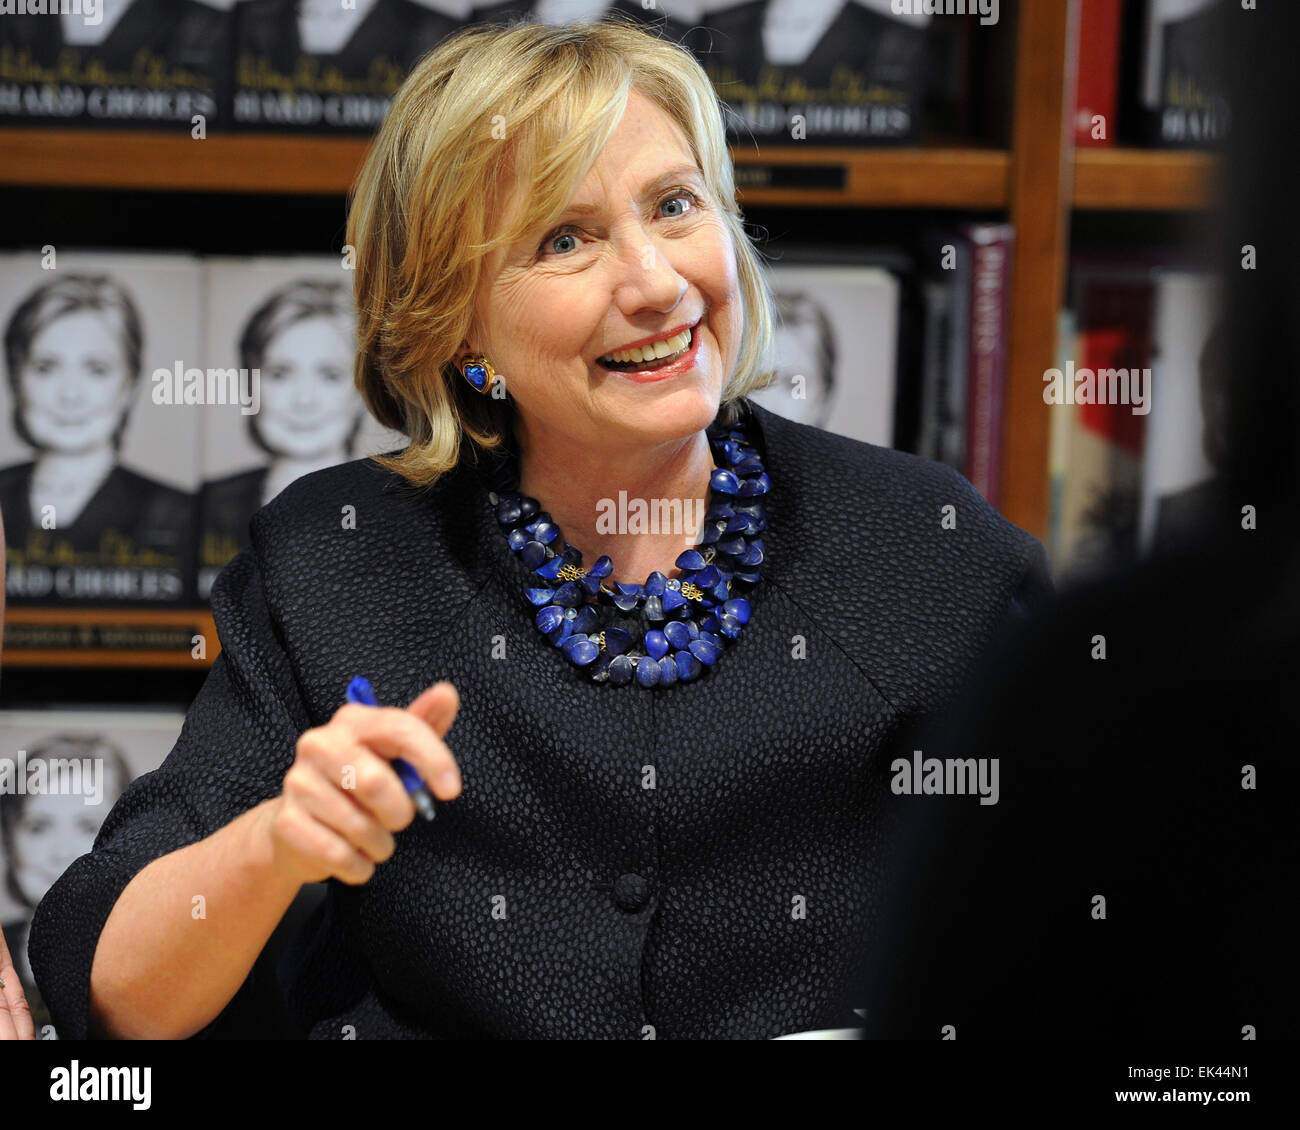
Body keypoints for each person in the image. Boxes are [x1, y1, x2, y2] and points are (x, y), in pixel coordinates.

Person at [31, 18, 1049, 1041]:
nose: (656, 281)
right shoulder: (333, 558)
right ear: (455, 329)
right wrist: (275, 844)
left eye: (675, 205)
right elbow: (109, 992)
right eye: (565, 239)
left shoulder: (929, 546)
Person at [0, 274, 193, 605]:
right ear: (17, 376)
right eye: (46, 367)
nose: (70, 394)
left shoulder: (180, 514)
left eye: (96, 369)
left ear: (129, 386)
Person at [197, 280, 368, 600]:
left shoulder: (396, 513)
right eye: (280, 374)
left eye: (330, 375)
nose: (303, 400)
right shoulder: (206, 503)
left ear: (362, 392)